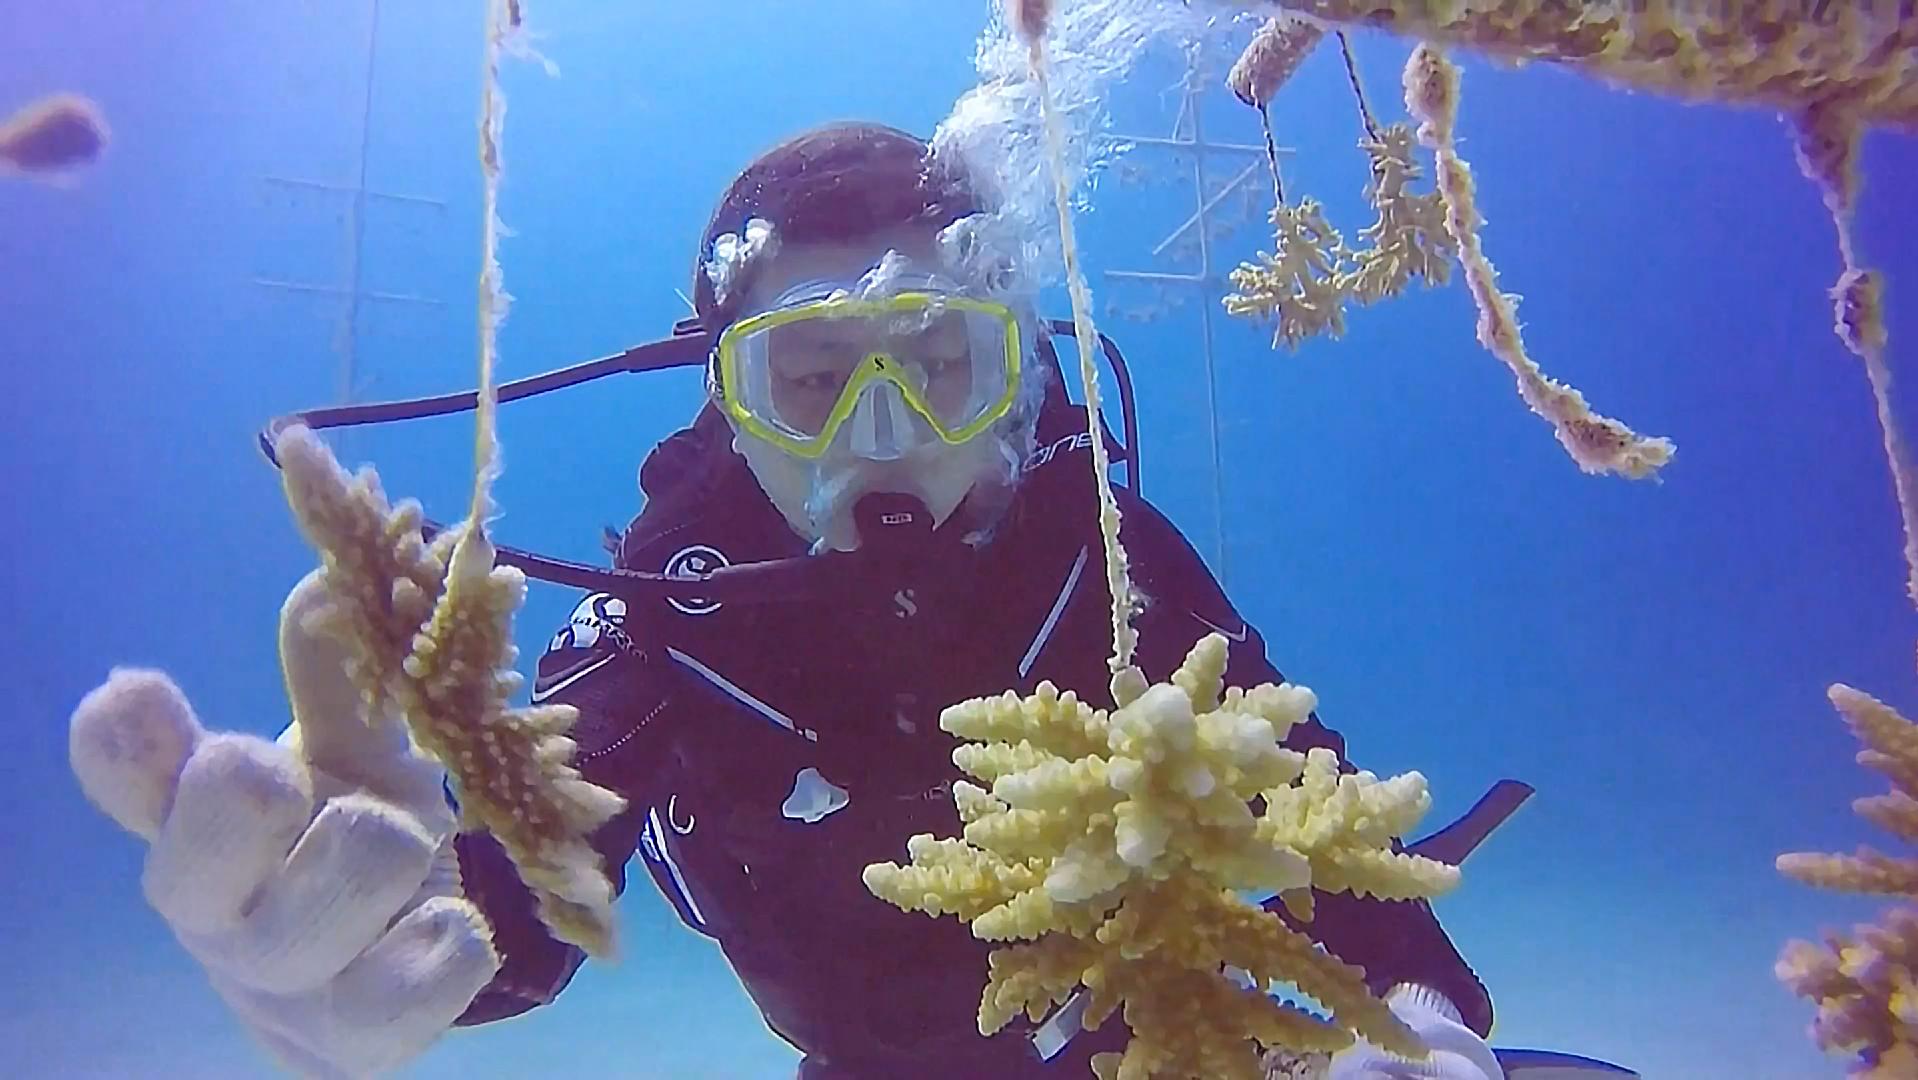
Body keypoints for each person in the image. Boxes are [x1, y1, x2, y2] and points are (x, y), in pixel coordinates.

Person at [74, 123, 1559, 1080]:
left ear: (1022, 375)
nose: (883, 432)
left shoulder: (1099, 567)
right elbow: (513, 895)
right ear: (730, 410)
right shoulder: (679, 622)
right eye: (807, 379)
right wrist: (358, 951)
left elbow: (1326, 825)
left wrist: (1420, 1031)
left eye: (941, 362)